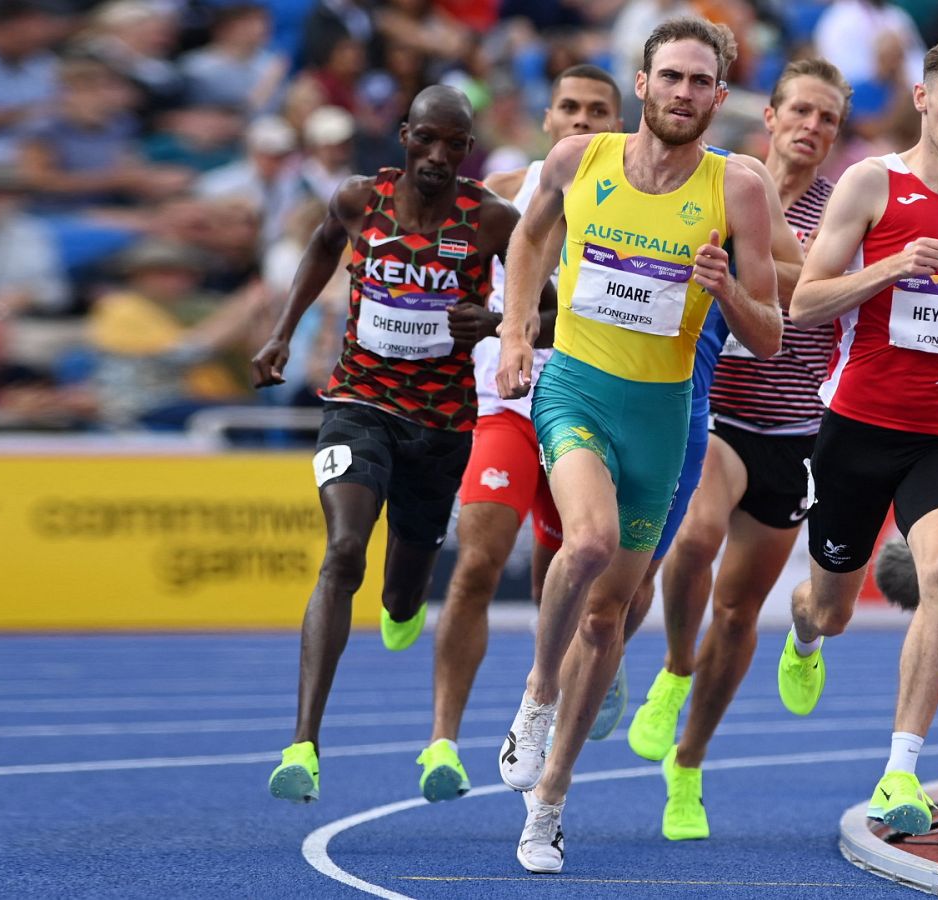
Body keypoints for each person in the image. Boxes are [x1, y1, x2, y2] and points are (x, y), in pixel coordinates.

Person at [493, 17, 782, 874]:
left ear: (720, 97)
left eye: (702, 82)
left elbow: (769, 335)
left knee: (611, 613)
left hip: (667, 416)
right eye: (673, 77)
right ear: (645, 83)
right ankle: (537, 693)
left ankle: (550, 804)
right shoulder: (578, 161)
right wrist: (516, 333)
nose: (686, 94)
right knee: (583, 544)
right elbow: (528, 237)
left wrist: (727, 289)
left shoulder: (739, 189)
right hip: (578, 385)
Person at [250, 86, 544, 804]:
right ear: (405, 136)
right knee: (344, 549)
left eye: (454, 145)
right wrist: (283, 333)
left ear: (467, 151)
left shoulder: (490, 219)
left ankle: (404, 603)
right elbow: (322, 244)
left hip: (443, 425)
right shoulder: (360, 200)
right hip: (358, 403)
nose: (439, 156)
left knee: (404, 588)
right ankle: (303, 746)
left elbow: (550, 299)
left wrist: (500, 319)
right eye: (427, 140)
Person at [775, 35, 938, 837]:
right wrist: (890, 269)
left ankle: (900, 773)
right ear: (922, 98)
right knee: (832, 607)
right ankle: (805, 631)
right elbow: (805, 302)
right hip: (855, 426)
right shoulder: (870, 183)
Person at [621, 57, 853, 842]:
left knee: (737, 609)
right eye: (802, 113)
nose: (813, 129)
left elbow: (820, 296)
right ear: (772, 118)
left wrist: (803, 278)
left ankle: (687, 765)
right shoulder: (722, 188)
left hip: (794, 434)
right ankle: (674, 670)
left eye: (828, 119)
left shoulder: (842, 214)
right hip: (715, 409)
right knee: (692, 539)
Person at [414, 63, 624, 804]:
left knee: (565, 580)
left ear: (617, 125)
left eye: (598, 111)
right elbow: (410, 233)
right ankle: (442, 740)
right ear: (548, 118)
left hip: (589, 404)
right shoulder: (503, 192)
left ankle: (569, 691)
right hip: (506, 403)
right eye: (569, 107)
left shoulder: (635, 204)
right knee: (475, 563)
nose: (581, 120)